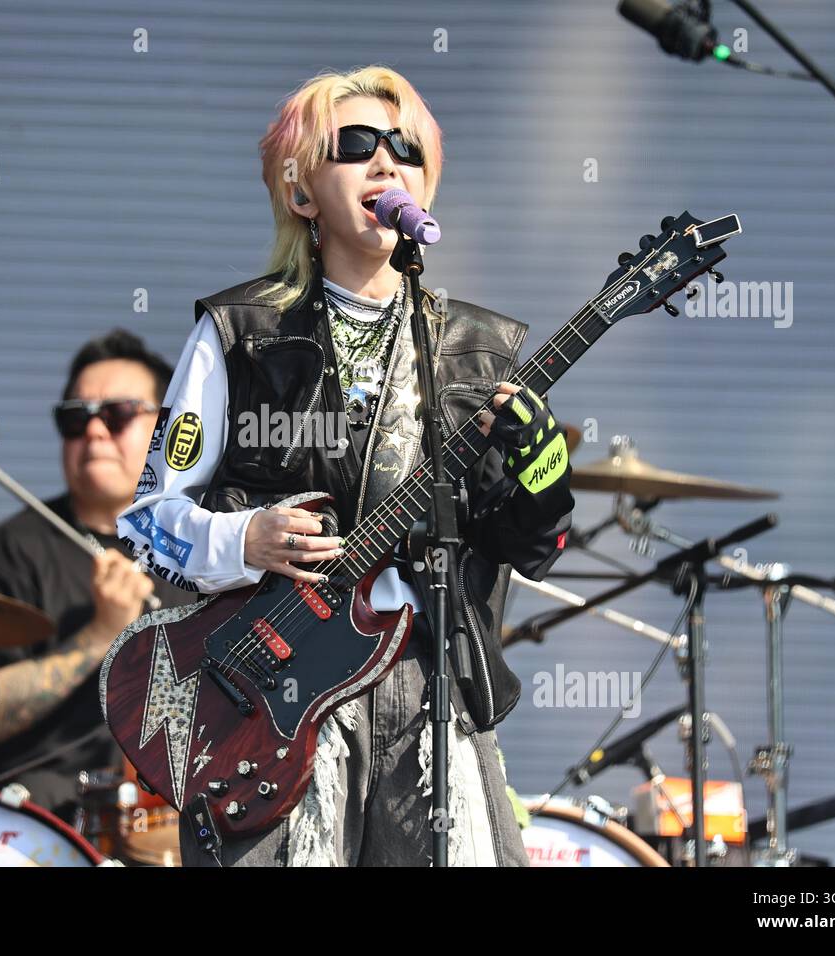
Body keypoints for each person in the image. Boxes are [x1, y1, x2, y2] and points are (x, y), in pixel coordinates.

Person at [114, 66, 574, 866]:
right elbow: (148, 524)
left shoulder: (477, 349)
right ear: (300, 194)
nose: (386, 162)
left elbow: (526, 546)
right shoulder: (239, 334)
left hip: (430, 692)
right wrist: (244, 538)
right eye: (355, 146)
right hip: (275, 699)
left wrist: (543, 481)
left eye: (407, 150)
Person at [0, 330, 190, 822]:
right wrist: (101, 634)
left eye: (118, 414)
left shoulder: (202, 549)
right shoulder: (8, 552)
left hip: (166, 825)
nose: (95, 431)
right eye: (76, 418)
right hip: (28, 824)